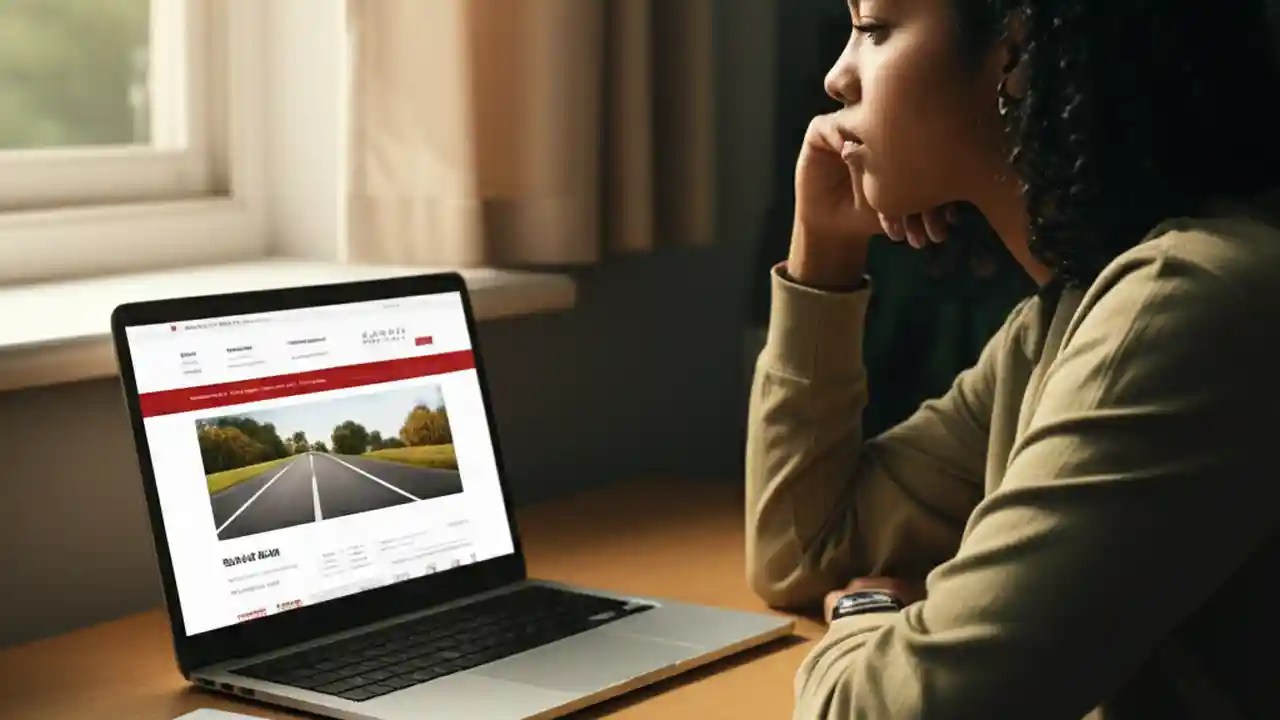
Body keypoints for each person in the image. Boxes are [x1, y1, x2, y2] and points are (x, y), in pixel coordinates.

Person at [745, 0, 1280, 717]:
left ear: (1018, 50)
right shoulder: (1059, 324)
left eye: (873, 30)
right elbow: (802, 551)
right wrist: (824, 257)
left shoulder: (1185, 307)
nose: (838, 78)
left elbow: (887, 713)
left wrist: (866, 616)